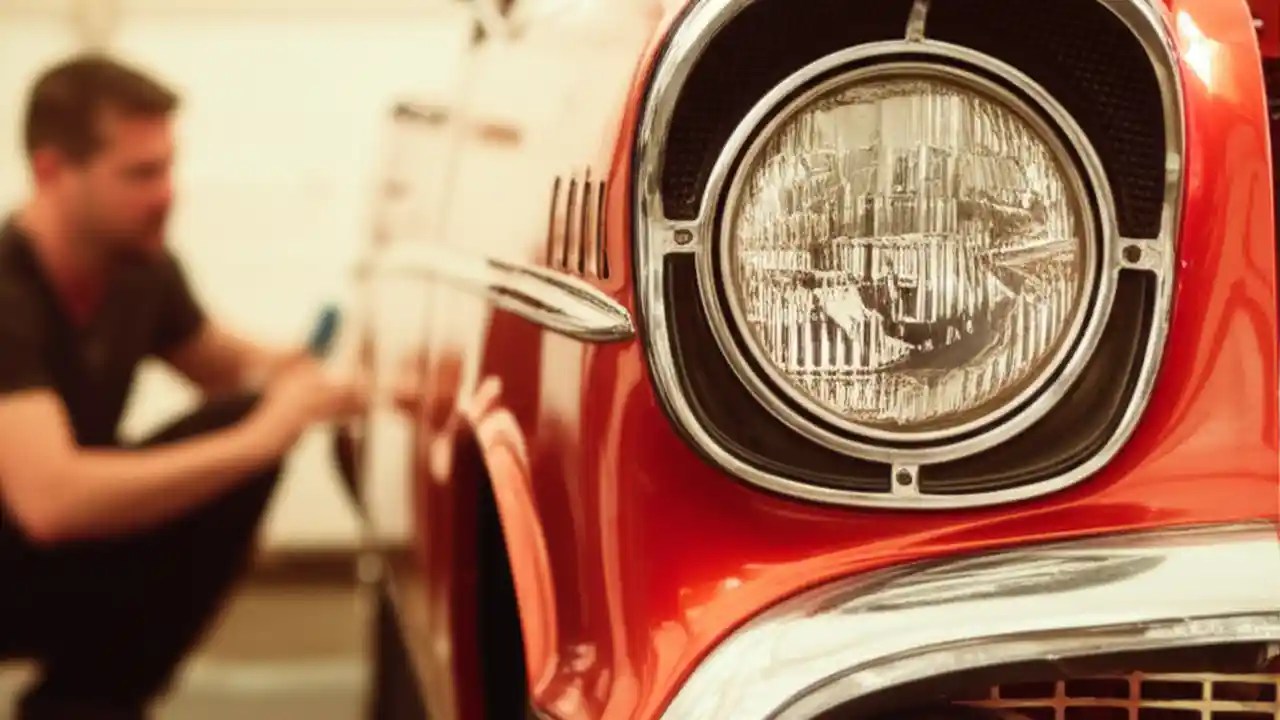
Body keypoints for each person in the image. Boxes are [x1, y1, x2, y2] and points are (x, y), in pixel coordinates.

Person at [0, 54, 364, 719]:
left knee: (244, 419)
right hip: (18, 556)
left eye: (168, 166)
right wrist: (263, 438)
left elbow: (231, 365)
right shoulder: (8, 294)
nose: (168, 192)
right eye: (141, 173)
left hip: (50, 563)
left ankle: (88, 701)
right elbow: (50, 503)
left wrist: (346, 377)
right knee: (248, 434)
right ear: (51, 172)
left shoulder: (138, 267)